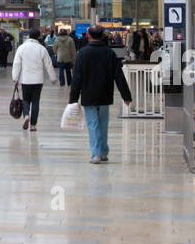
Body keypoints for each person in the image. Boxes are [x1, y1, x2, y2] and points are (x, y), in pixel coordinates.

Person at [69, 24, 133, 163]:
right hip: (105, 93)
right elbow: (119, 75)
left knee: (92, 123)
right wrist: (126, 96)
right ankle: (103, 152)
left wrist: (73, 98)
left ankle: (96, 153)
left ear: (89, 36)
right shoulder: (109, 53)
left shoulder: (83, 53)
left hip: (89, 94)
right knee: (103, 123)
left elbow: (77, 77)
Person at [11, 28, 57, 131]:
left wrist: (15, 78)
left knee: (26, 100)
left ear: (29, 36)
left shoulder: (22, 48)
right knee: (35, 102)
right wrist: (53, 78)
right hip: (38, 80)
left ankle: (26, 115)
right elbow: (48, 64)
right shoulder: (41, 49)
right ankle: (33, 125)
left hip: (26, 79)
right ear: (38, 37)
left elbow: (17, 64)